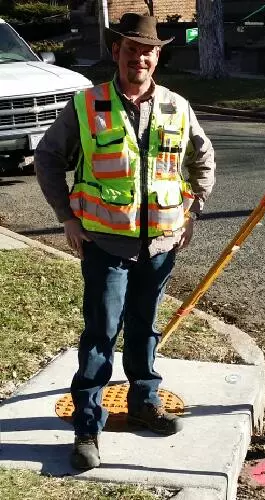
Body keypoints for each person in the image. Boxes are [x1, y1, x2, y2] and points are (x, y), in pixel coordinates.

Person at [35, 13, 216, 470]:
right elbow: (48, 158)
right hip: (104, 245)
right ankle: (87, 427)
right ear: (116, 51)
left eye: (149, 50)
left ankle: (143, 401)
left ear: (158, 57)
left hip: (159, 245)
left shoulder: (177, 106)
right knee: (100, 334)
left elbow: (202, 157)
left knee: (145, 329)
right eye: (132, 48)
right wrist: (67, 219)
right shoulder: (86, 105)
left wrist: (191, 210)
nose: (141, 56)